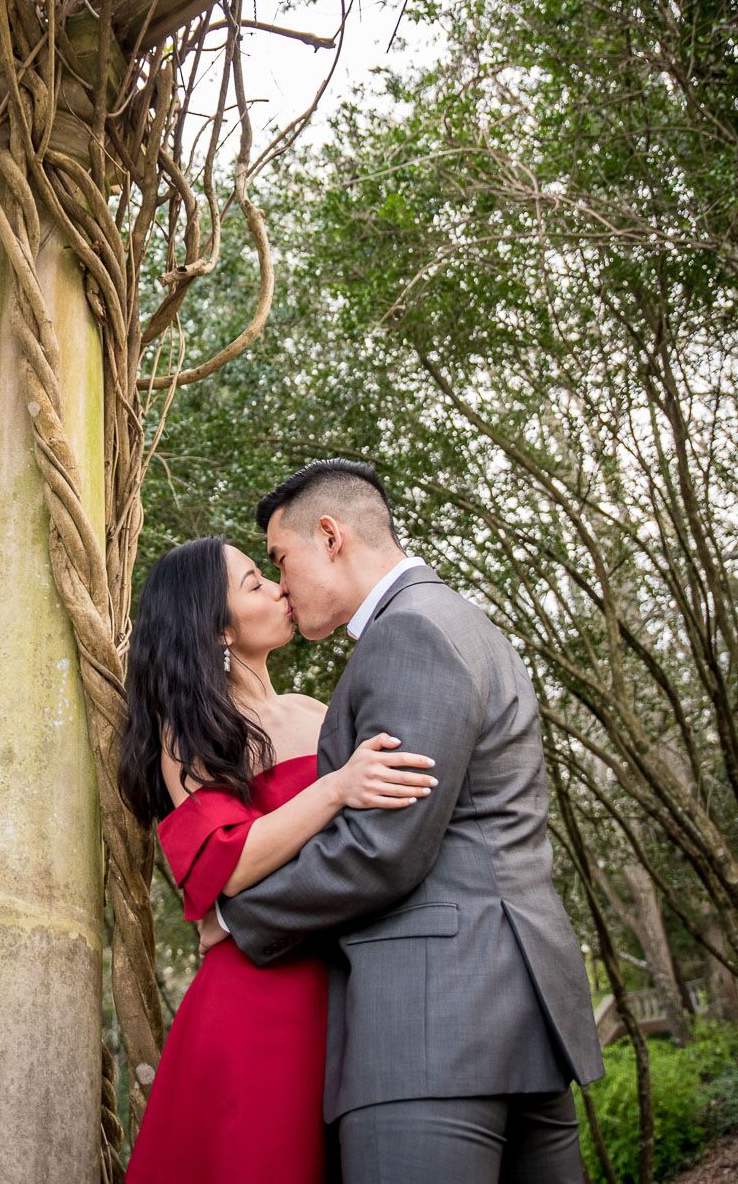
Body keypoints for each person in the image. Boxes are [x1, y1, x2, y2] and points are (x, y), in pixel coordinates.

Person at [201, 459, 604, 1184]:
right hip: (521, 1018)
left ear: (330, 536)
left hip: (431, 1027)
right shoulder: (464, 622)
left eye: (280, 560)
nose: (282, 584)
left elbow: (384, 848)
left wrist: (238, 918)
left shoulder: (407, 633)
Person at [118, 535, 438, 1184]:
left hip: (352, 985)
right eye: (253, 584)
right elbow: (223, 862)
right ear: (216, 628)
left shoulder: (315, 711)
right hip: (260, 1003)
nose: (277, 589)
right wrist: (337, 787)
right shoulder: (197, 731)